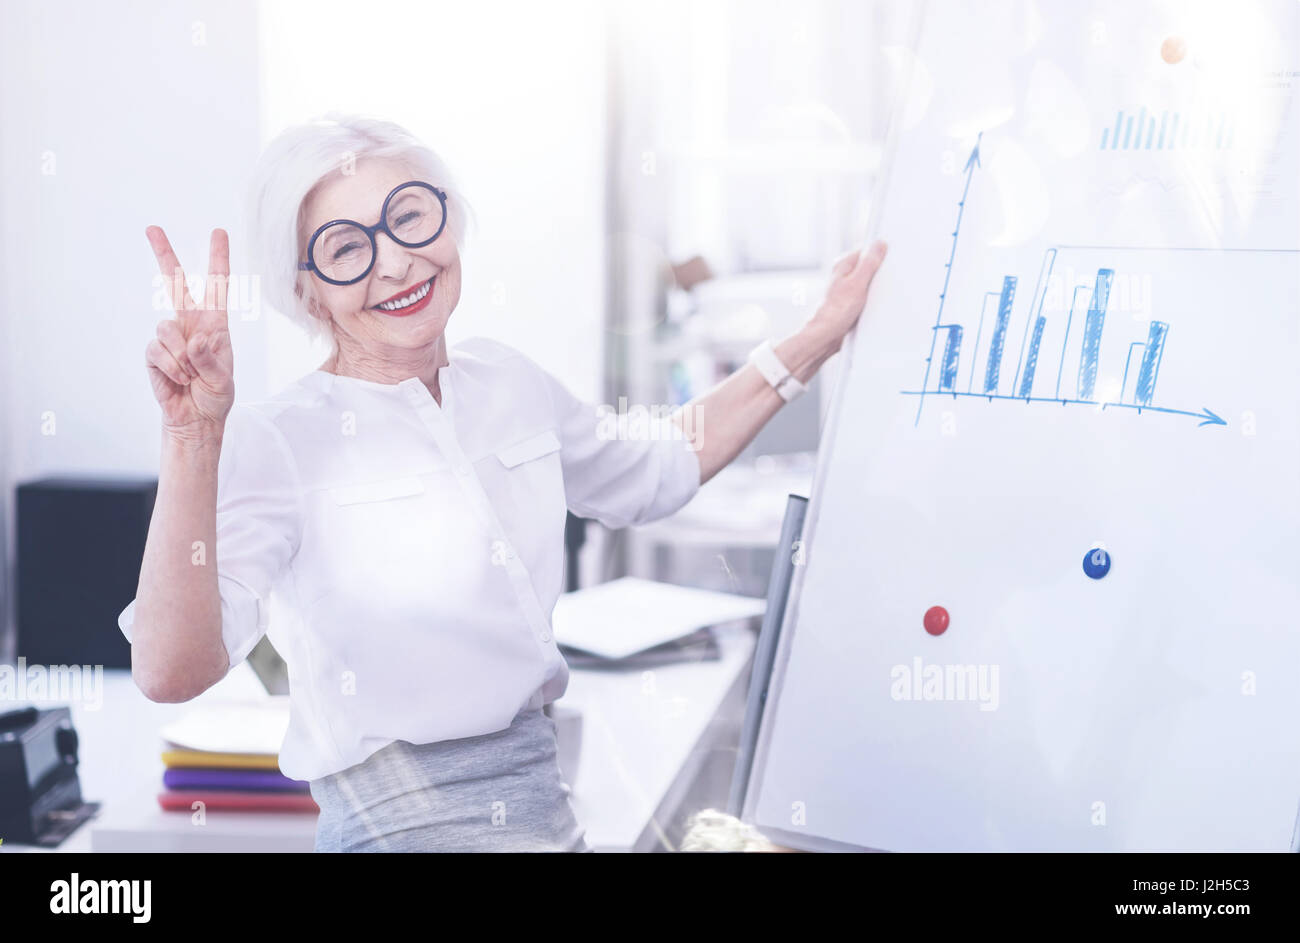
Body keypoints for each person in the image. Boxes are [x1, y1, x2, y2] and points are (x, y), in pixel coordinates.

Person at [118, 113, 887, 852]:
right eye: (346, 247)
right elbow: (170, 668)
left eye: (409, 216)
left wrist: (816, 337)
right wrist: (192, 435)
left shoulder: (509, 382)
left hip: (543, 815)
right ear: (309, 289)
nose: (394, 262)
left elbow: (655, 467)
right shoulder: (279, 437)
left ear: (450, 219)